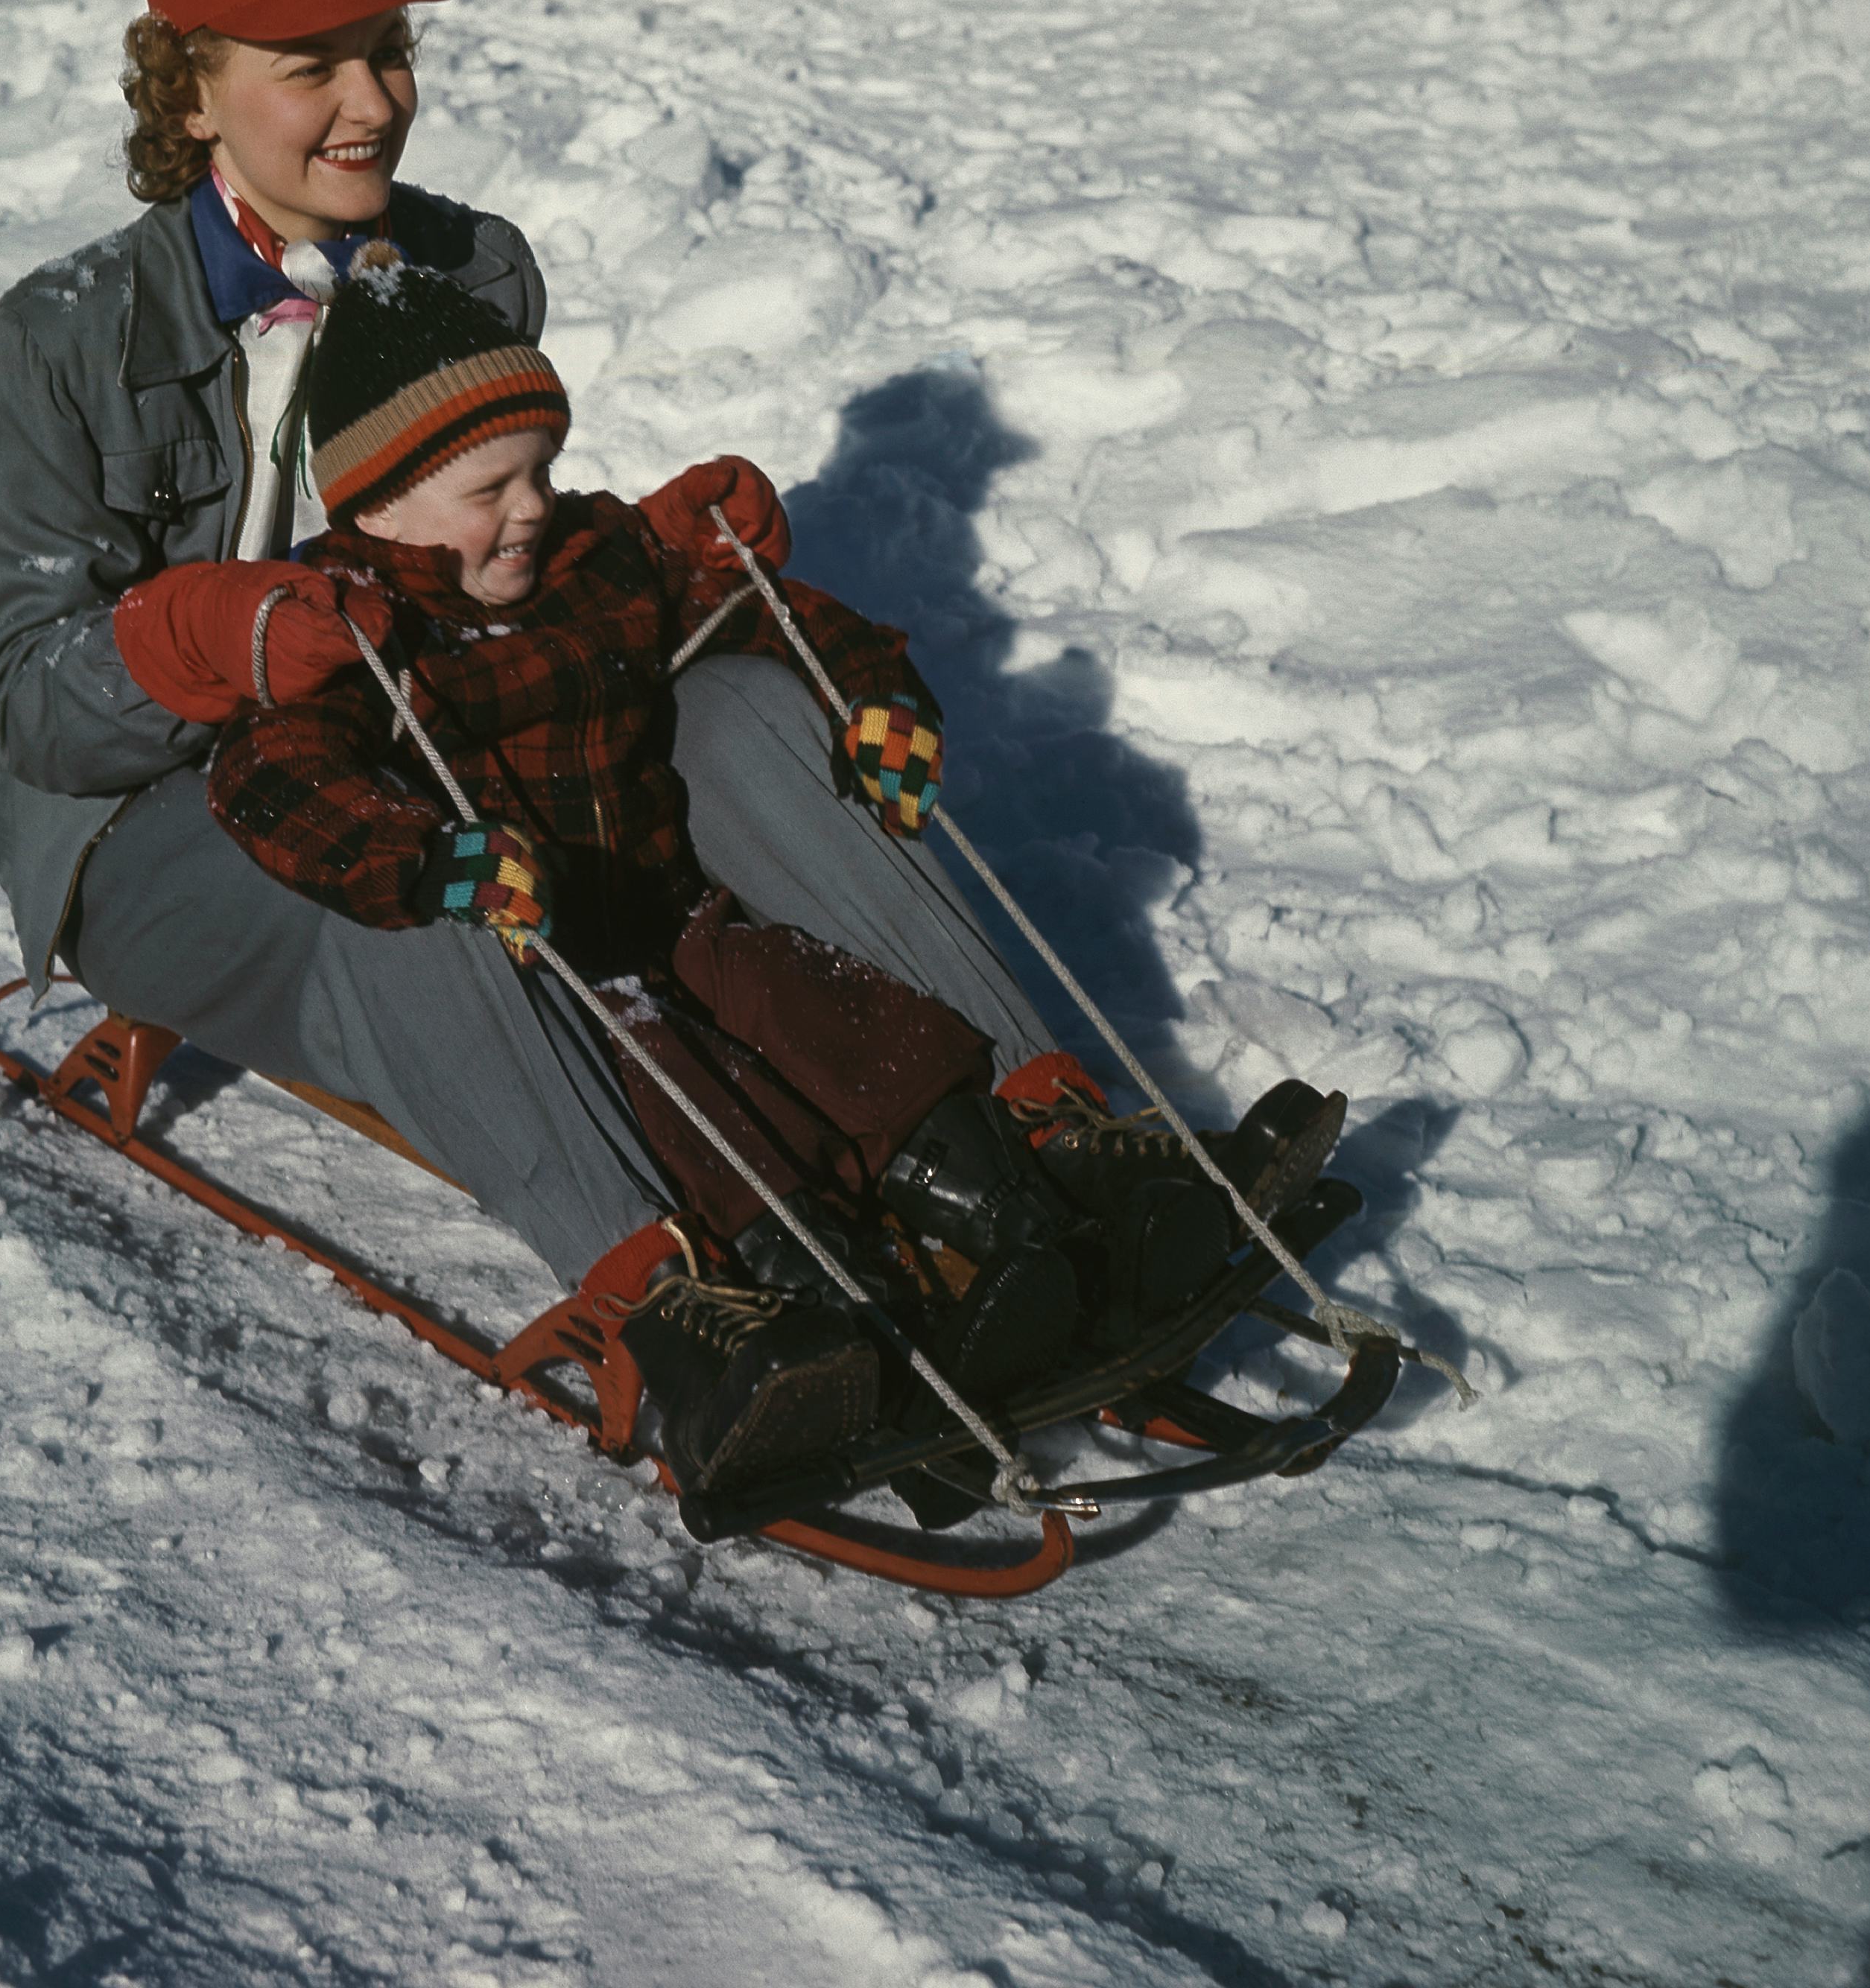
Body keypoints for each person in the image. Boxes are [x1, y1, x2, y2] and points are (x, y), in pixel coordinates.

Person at [0, 0, 1332, 1500]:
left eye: (386, 50)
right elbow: (31, 702)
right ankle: (696, 1310)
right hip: (167, 809)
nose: (374, 101)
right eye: (311, 67)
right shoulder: (54, 344)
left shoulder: (465, 267)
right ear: (187, 85)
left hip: (449, 719)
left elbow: (487, 518)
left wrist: (631, 558)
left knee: (745, 712)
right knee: (414, 886)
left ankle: (1047, 1130)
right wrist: (198, 639)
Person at [186, 250, 1345, 1493]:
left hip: (683, 917)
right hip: (558, 973)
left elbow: (772, 611)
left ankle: (1035, 1210)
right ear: (378, 502)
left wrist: (871, 700)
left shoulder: (595, 557)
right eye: (487, 487)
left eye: (541, 470)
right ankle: (803, 1326)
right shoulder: (352, 622)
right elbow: (267, 775)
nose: (528, 507)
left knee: (853, 1027)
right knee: (705, 1114)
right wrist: (426, 857)